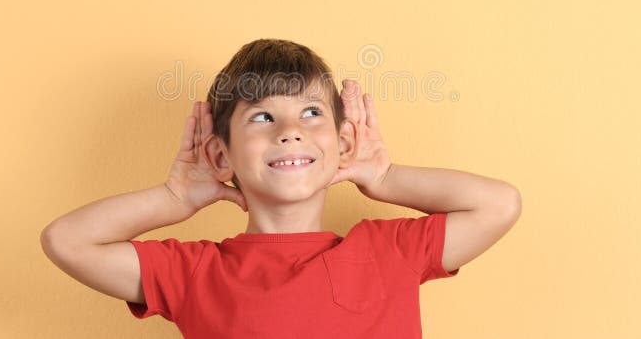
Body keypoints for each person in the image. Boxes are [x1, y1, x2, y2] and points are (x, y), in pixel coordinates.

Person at [40, 38, 522, 338]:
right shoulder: (195, 273)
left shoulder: (389, 251)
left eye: (311, 112)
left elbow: (499, 204)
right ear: (220, 155)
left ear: (344, 140)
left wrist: (385, 177)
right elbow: (66, 240)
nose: (289, 130)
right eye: (263, 116)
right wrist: (175, 198)